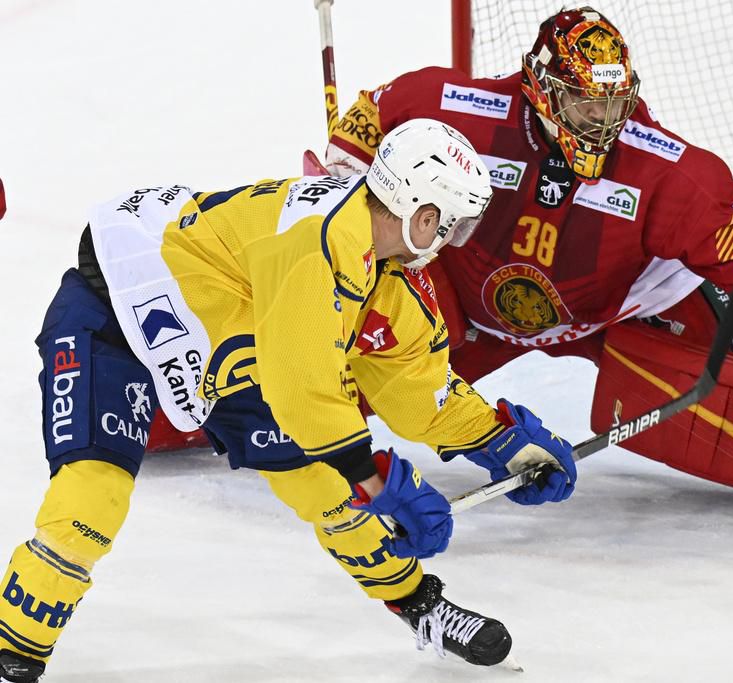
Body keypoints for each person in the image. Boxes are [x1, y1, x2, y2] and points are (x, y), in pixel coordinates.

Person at [311, 7, 733, 542]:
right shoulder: (461, 111)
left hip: (624, 308)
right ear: (544, 90)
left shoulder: (663, 169)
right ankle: (209, 401)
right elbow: (376, 116)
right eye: (587, 107)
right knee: (321, 382)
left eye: (614, 106)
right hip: (463, 306)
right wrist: (344, 182)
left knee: (728, 406)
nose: (603, 124)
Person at [0, 118, 578, 682]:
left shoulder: (385, 270)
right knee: (93, 497)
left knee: (329, 488)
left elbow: (416, 386)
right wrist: (377, 479)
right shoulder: (319, 244)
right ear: (422, 214)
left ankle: (418, 604)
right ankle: (11, 643)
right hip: (123, 302)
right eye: (452, 224)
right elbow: (301, 387)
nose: (452, 239)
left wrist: (501, 441)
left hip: (231, 324)